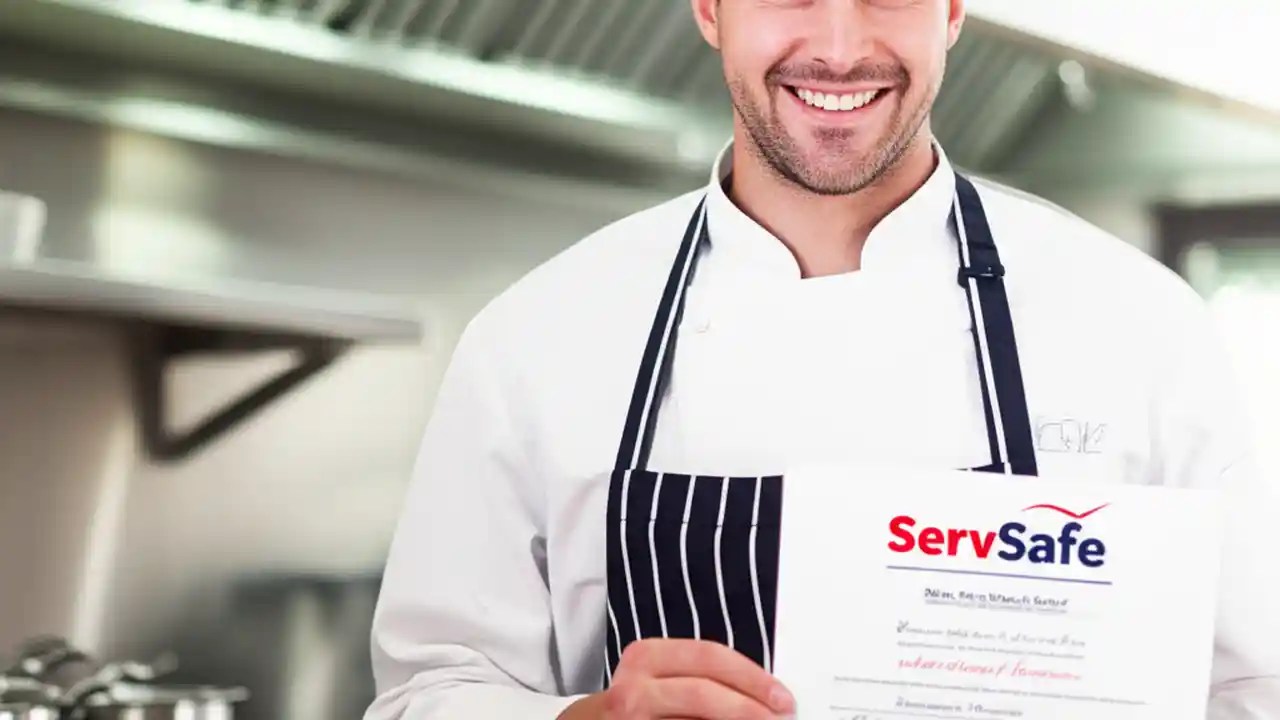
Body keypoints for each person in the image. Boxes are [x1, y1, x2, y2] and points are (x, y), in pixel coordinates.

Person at [365, 1, 1280, 718]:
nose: (840, 46)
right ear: (709, 8)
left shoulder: (1141, 327)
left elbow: (1253, 695)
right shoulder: (537, 338)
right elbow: (424, 696)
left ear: (952, 10)